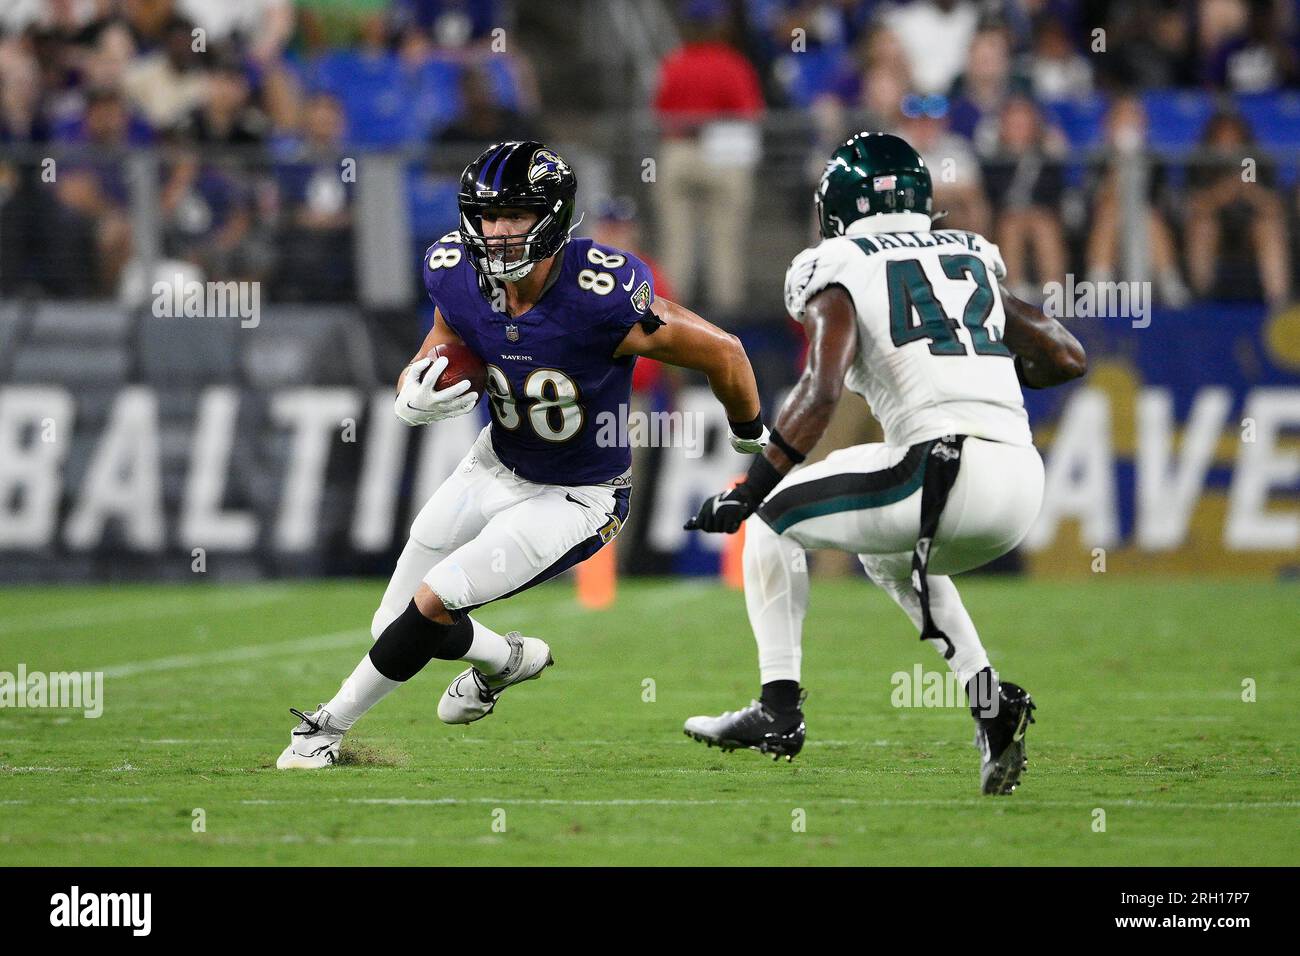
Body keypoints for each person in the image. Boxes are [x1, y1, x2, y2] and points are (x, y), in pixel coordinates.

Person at [276, 140, 768, 767]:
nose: (499, 232)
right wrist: (415, 384)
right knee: (393, 625)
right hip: (493, 462)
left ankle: (323, 730)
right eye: (489, 216)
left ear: (555, 218)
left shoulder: (601, 291)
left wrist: (749, 432)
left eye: (516, 216)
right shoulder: (456, 269)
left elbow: (724, 351)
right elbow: (448, 335)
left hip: (577, 495)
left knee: (435, 599)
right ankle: (506, 660)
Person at [682, 132, 1086, 795]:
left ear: (839, 205)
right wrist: (981, 366)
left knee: (772, 517)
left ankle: (778, 709)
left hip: (945, 472)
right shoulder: (967, 253)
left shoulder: (840, 261)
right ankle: (990, 703)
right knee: (886, 554)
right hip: (1018, 479)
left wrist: (750, 489)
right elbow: (1066, 356)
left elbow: (821, 389)